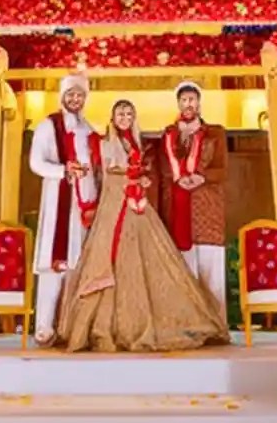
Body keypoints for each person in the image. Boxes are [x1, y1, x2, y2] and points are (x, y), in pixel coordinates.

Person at [58, 100, 229, 352]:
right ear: (113, 117)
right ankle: (107, 327)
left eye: (129, 113)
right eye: (120, 114)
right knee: (110, 258)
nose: (125, 117)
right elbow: (107, 173)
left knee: (155, 261)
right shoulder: (104, 143)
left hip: (137, 206)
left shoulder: (137, 142)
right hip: (114, 207)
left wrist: (142, 180)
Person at [28, 73, 100, 346]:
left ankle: (71, 326)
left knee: (77, 265)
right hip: (59, 199)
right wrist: (63, 171)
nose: (75, 99)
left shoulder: (88, 128)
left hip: (83, 205)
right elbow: (36, 162)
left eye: (80, 95)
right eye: (70, 94)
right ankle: (44, 326)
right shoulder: (48, 125)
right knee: (53, 265)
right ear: (62, 96)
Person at [159, 81, 229, 316]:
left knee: (211, 272)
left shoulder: (215, 132)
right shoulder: (170, 134)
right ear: (178, 103)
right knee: (184, 270)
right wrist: (179, 178)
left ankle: (217, 326)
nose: (188, 104)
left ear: (199, 103)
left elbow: (223, 170)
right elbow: (164, 169)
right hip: (178, 208)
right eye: (184, 100)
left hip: (206, 208)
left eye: (192, 99)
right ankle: (188, 325)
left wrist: (202, 177)